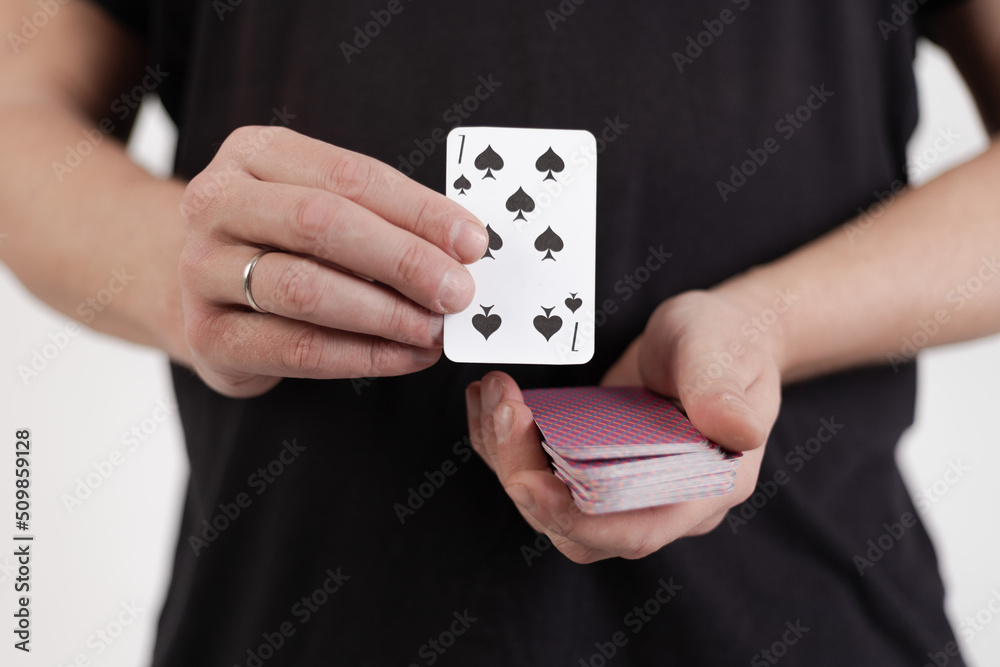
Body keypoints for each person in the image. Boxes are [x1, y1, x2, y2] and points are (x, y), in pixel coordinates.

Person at [1, 0, 998, 664]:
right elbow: (18, 99)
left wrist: (772, 323)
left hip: (807, 622)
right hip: (295, 617)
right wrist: (176, 265)